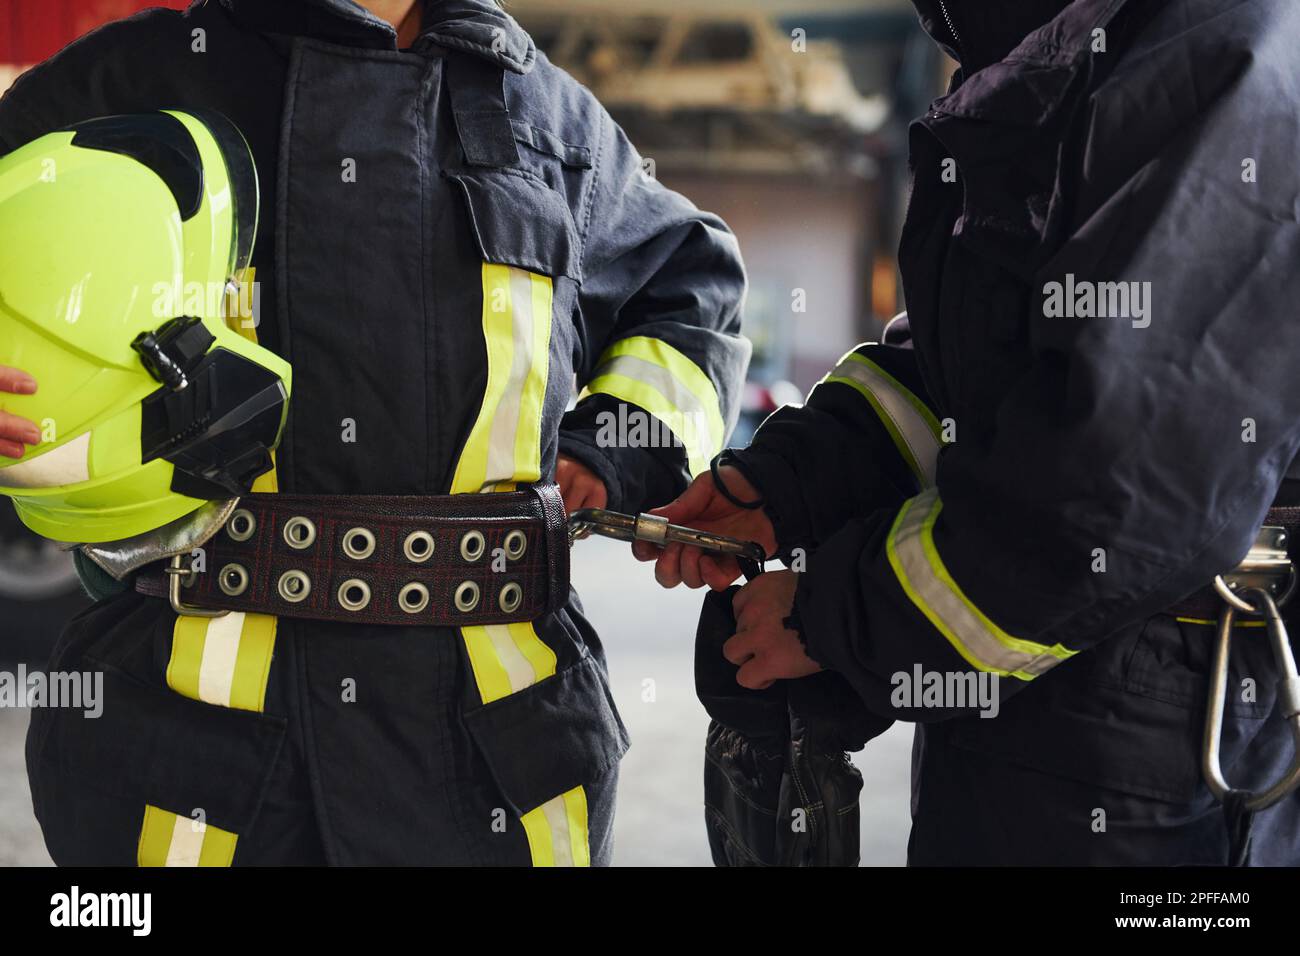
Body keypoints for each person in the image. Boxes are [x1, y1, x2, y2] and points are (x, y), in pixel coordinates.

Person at [0, 0, 749, 865]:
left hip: (495, 771)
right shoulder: (137, 77)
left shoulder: (552, 121)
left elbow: (695, 297)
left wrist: (610, 448)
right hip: (186, 762)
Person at [639, 0, 1300, 865]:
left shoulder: (1215, 44)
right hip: (1042, 719)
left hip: (1151, 745)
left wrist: (833, 620)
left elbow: (1118, 490)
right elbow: (976, 378)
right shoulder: (1047, 53)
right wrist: (791, 486)